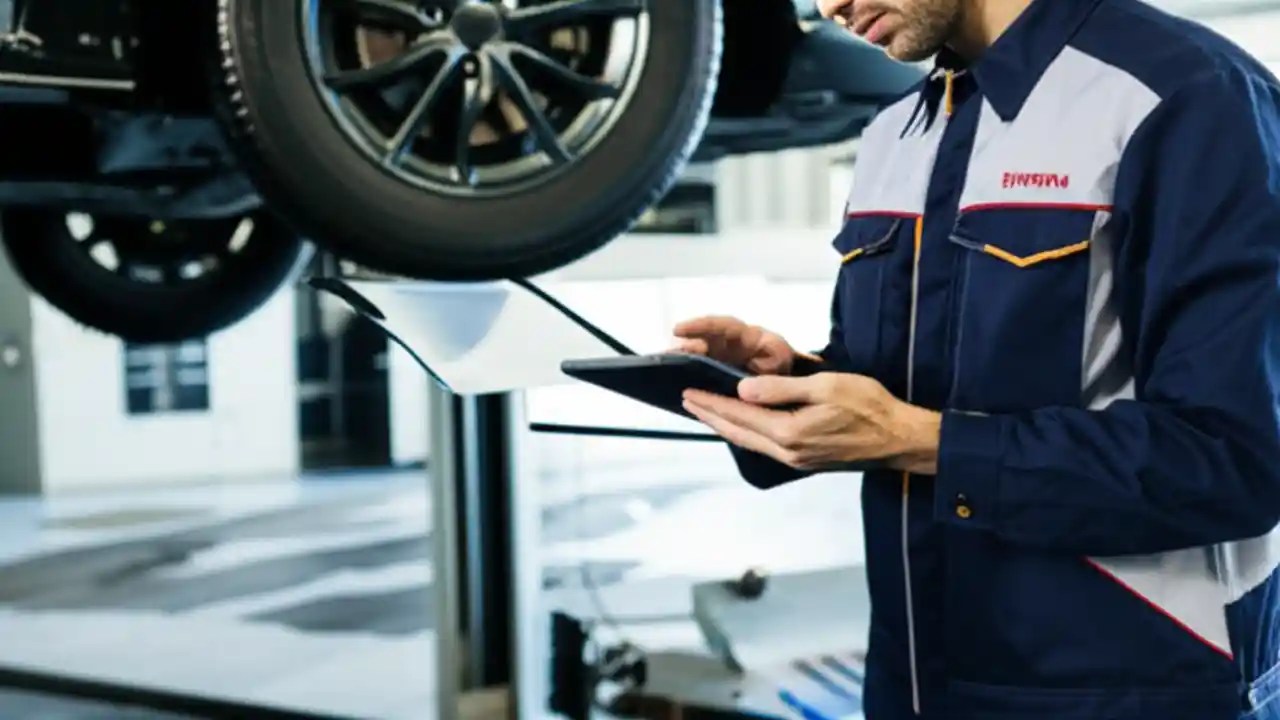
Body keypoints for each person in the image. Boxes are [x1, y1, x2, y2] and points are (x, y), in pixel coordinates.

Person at [670, 0, 1280, 718]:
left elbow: (1236, 459)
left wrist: (920, 441)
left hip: (1124, 693)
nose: (830, 6)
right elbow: (911, 390)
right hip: (913, 687)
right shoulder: (895, 131)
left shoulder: (1186, 95)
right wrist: (789, 381)